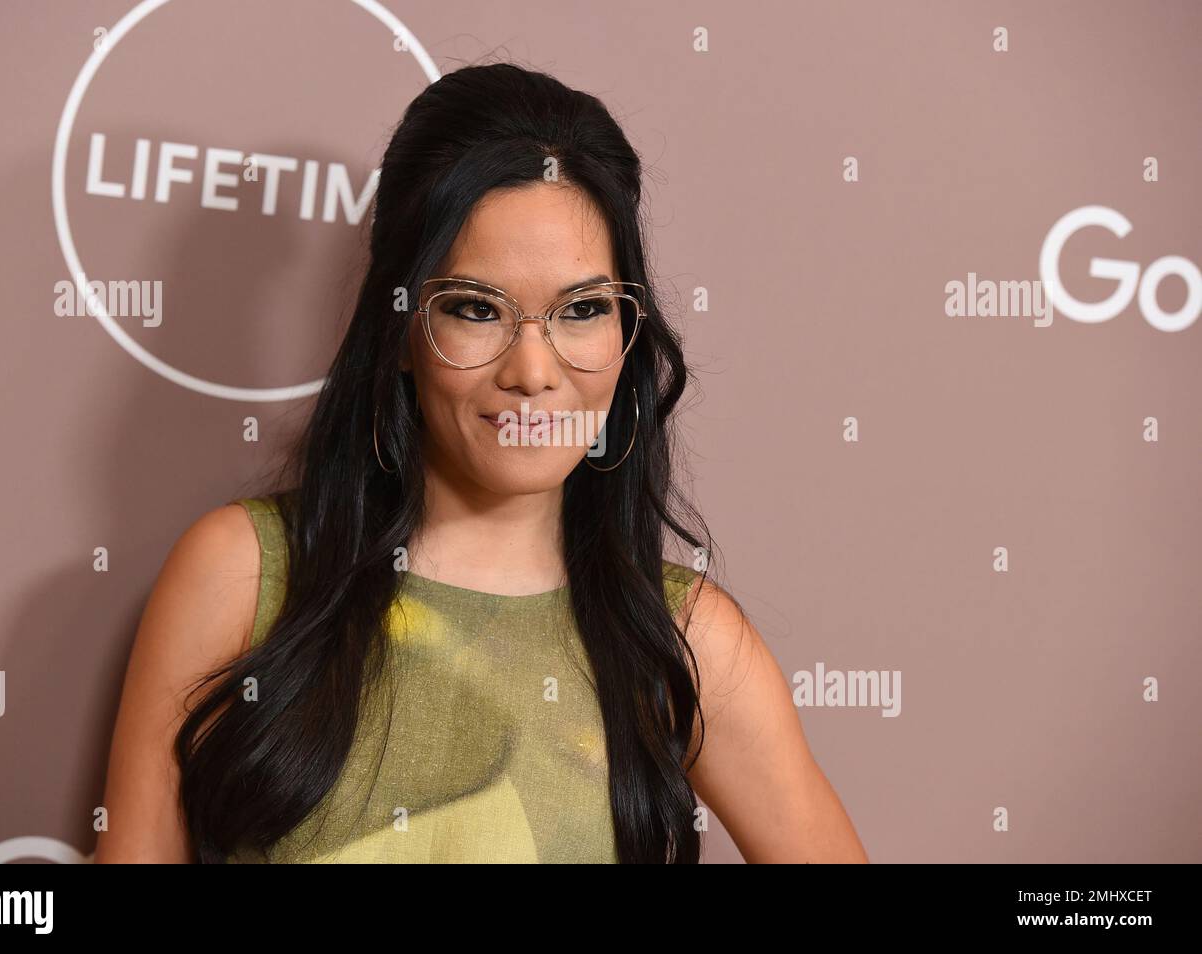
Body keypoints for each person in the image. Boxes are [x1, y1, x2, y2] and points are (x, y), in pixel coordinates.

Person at [94, 62, 867, 864]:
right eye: (474, 308)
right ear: (398, 328)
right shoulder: (244, 575)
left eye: (582, 310)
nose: (532, 370)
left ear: (626, 334)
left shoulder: (687, 642)